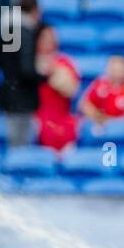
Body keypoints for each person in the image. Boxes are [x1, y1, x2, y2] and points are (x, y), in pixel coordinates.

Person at [0, 0, 45, 147]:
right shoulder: (26, 33)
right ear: (35, 10)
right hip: (24, 101)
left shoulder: (6, 33)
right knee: (21, 153)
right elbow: (27, 70)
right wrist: (45, 77)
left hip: (9, 99)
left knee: (14, 146)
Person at [32, 21, 80, 153]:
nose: (48, 41)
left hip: (63, 123)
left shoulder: (64, 62)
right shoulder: (29, 63)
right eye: (44, 37)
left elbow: (71, 90)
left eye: (51, 37)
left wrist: (52, 71)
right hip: (39, 123)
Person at [80, 55, 124, 126]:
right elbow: (84, 105)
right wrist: (98, 117)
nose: (117, 74)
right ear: (108, 70)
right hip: (101, 125)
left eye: (120, 70)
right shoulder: (99, 85)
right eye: (114, 70)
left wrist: (120, 121)